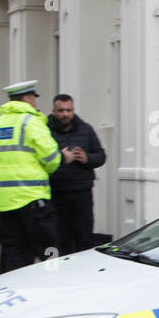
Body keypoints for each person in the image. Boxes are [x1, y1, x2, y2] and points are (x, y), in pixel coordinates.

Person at [0, 80, 62, 273]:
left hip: (5, 200)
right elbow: (51, 158)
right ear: (27, 99)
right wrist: (61, 159)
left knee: (13, 250)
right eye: (34, 99)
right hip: (33, 198)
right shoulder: (32, 122)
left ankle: (15, 288)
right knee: (49, 247)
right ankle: (55, 281)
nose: (36, 103)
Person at [47, 93, 107, 254]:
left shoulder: (85, 129)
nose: (65, 114)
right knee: (60, 236)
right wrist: (60, 158)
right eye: (61, 110)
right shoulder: (44, 130)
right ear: (54, 111)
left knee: (84, 235)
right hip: (56, 192)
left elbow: (101, 156)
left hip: (82, 192)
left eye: (69, 110)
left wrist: (87, 158)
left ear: (73, 110)